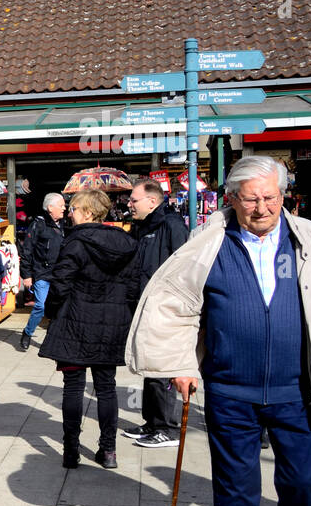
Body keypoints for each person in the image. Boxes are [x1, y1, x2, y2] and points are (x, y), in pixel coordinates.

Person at [126, 156, 311, 506]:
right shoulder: (210, 245)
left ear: (284, 196)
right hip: (229, 390)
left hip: (297, 388)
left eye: (270, 197)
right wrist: (181, 364)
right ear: (232, 200)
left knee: (302, 481)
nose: (261, 208)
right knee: (237, 487)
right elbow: (179, 306)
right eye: (251, 199)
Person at [39, 190, 138, 470]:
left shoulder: (75, 242)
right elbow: (134, 286)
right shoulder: (128, 242)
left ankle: (71, 451)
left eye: (74, 208)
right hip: (111, 324)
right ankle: (108, 451)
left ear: (88, 212)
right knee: (106, 388)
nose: (70, 212)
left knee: (74, 386)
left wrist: (51, 313)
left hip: (75, 322)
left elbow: (60, 284)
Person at [123, 178, 189, 448]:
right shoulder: (140, 227)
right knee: (150, 367)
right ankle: (152, 422)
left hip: (164, 306)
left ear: (152, 201)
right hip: (142, 303)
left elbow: (184, 266)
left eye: (133, 200)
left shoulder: (171, 224)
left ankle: (167, 428)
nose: (129, 204)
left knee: (162, 368)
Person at [18, 192, 66, 351]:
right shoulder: (38, 224)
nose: (64, 208)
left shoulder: (64, 224)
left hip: (59, 274)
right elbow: (27, 250)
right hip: (42, 272)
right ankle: (27, 332)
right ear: (50, 207)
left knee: (59, 307)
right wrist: (26, 275)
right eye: (61, 205)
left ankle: (54, 338)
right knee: (40, 305)